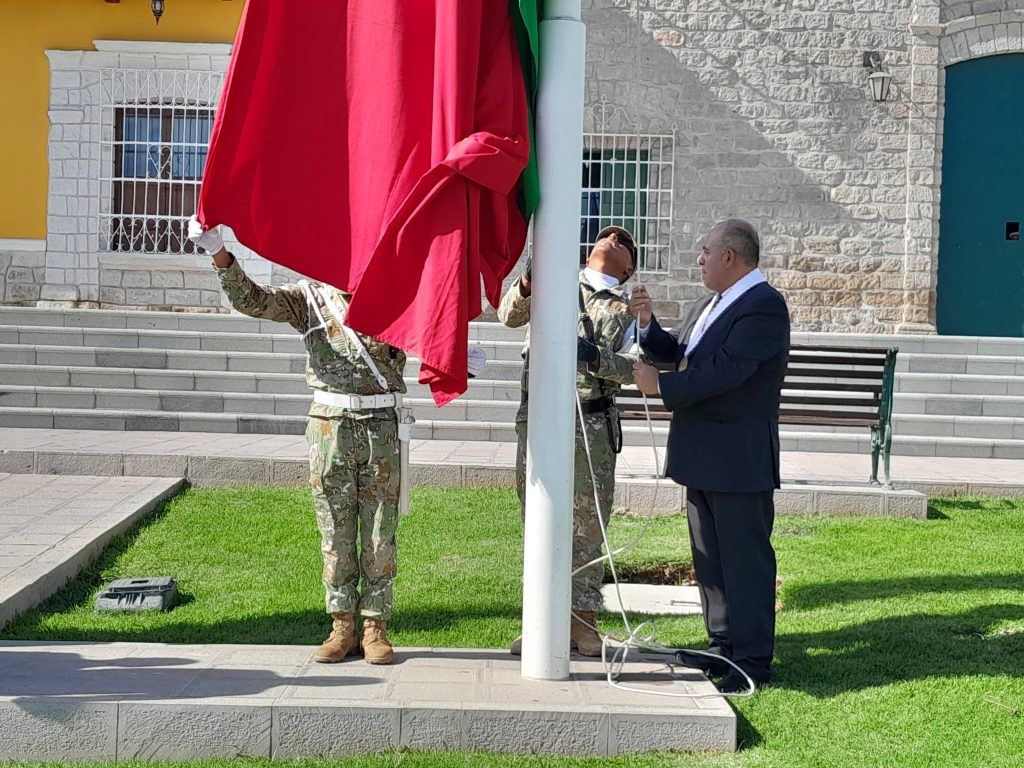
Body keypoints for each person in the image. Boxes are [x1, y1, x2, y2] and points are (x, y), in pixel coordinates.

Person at [188, 216, 408, 665]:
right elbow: (253, 301)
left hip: (380, 426)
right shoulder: (309, 298)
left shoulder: (396, 291)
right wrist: (218, 251)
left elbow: (437, 321)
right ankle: (341, 624)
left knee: (380, 532)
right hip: (329, 424)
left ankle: (375, 627)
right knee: (334, 526)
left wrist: (454, 357)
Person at [629, 219, 789, 693]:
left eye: (705, 251)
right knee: (712, 562)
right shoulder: (712, 302)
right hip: (702, 455)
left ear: (730, 258)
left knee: (745, 562)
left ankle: (752, 661)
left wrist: (662, 386)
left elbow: (727, 371)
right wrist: (646, 325)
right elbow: (683, 349)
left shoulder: (763, 306)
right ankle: (722, 646)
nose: (698, 259)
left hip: (738, 460)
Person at [498, 226, 639, 656]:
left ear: (628, 267)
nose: (610, 239)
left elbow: (635, 369)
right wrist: (527, 281)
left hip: (591, 426)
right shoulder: (555, 281)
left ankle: (583, 624)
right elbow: (508, 316)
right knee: (538, 519)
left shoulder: (628, 309)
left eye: (622, 242)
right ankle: (540, 619)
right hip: (540, 415)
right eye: (606, 235)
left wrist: (595, 357)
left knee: (587, 526)